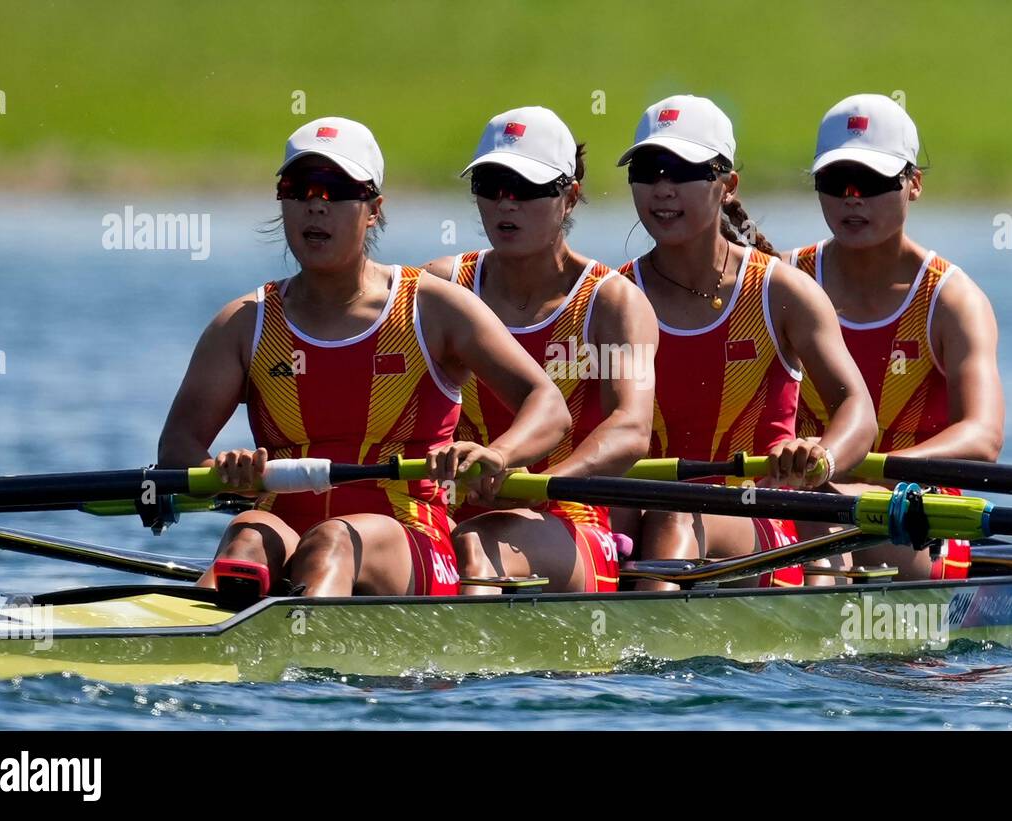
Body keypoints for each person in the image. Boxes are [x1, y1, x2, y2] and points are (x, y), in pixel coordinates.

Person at [157, 116, 570, 597]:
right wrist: (223, 475)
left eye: (335, 189)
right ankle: (197, 643)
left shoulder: (433, 308)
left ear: (373, 209)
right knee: (246, 535)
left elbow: (549, 405)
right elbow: (176, 449)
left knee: (333, 541)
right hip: (282, 525)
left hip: (412, 537)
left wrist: (497, 453)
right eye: (299, 188)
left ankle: (291, 648)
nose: (315, 206)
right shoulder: (243, 323)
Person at [614, 95, 877, 591]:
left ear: (726, 184)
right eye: (648, 170)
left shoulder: (782, 293)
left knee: (673, 516)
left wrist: (821, 454)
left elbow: (857, 411)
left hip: (762, 517)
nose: (663, 189)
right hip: (642, 515)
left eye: (684, 170)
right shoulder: (614, 297)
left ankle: (643, 662)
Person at [425, 106, 658, 594]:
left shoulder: (611, 302)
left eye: (527, 189)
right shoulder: (442, 285)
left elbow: (631, 429)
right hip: (442, 518)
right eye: (490, 186)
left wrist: (537, 477)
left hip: (566, 517)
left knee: (473, 544)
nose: (506, 204)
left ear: (569, 197)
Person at [778, 94, 1004, 580]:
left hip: (919, 510)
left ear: (914, 184)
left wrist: (870, 464)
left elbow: (984, 436)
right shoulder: (785, 281)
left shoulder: (953, 301)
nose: (852, 197)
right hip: (801, 498)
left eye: (874, 182)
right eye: (835, 182)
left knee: (820, 504)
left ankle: (808, 636)